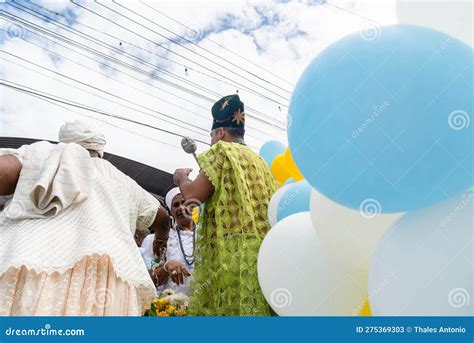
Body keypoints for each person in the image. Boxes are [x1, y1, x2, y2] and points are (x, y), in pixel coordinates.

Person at [0, 120, 169, 316]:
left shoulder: (45, 153)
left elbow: (4, 171)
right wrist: (161, 237)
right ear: (99, 151)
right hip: (110, 284)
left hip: (32, 270)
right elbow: (161, 217)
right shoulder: (122, 180)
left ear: (64, 142)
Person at [173, 94, 277, 316]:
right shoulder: (259, 161)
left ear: (220, 132)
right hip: (263, 252)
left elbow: (193, 197)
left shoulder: (221, 151)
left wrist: (181, 178)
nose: (210, 142)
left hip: (231, 253)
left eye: (211, 135)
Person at [151, 187, 195, 296]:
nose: (181, 207)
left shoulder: (208, 234)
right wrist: (166, 267)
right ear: (171, 211)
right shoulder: (161, 240)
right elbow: (149, 280)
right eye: (176, 205)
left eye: (184, 202)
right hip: (171, 308)